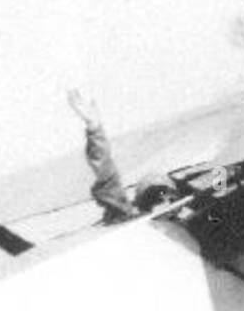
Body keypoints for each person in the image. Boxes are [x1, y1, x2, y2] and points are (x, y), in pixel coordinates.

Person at [67, 89, 176, 223]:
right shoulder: (131, 220)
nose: (164, 202)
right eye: (155, 198)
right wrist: (95, 129)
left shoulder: (180, 222)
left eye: (168, 197)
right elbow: (108, 179)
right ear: (142, 206)